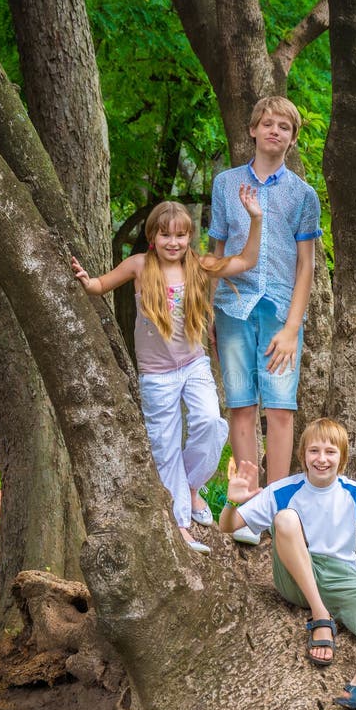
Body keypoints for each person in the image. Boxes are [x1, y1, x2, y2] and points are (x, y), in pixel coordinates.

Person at [72, 189, 262, 554]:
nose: (172, 242)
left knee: (209, 421)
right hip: (157, 375)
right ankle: (181, 524)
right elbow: (100, 286)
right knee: (165, 446)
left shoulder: (198, 265)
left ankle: (191, 487)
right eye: (165, 234)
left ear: (190, 237)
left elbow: (247, 260)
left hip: (193, 365)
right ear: (152, 237)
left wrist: (255, 218)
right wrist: (85, 279)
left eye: (180, 235)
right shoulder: (140, 266)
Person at [218, 417, 356, 710]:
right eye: (314, 451)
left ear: (342, 458)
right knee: (285, 519)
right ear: (303, 456)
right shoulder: (282, 490)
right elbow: (228, 526)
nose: (322, 459)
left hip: (340, 578)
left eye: (330, 452)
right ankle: (320, 615)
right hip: (296, 576)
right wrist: (231, 502)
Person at [209, 96, 321, 545]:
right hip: (232, 307)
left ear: (292, 140)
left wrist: (293, 327)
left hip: (279, 312)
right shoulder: (225, 185)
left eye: (284, 128)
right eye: (268, 124)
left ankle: (277, 507)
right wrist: (207, 312)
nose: (275, 131)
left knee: (278, 407)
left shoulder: (303, 195)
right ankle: (249, 506)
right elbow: (216, 253)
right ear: (253, 130)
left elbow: (306, 266)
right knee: (240, 404)